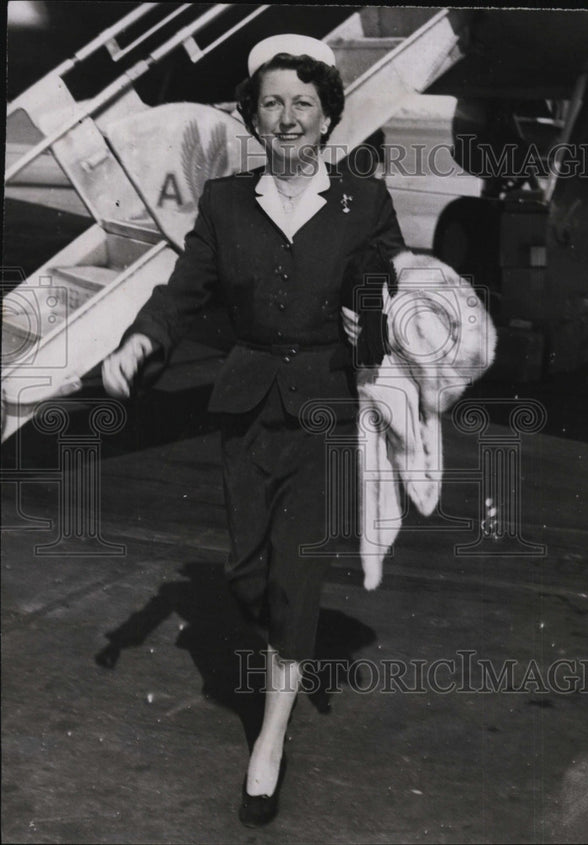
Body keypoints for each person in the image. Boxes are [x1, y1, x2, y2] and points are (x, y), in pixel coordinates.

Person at [102, 33, 406, 827]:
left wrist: (364, 321)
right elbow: (184, 288)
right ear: (254, 115)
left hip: (323, 408)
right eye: (272, 102)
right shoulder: (228, 202)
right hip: (246, 403)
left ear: (327, 115)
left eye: (303, 102)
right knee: (245, 572)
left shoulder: (361, 200)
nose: (288, 116)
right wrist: (140, 339)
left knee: (295, 573)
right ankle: (285, 644)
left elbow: (383, 279)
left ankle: (268, 739)